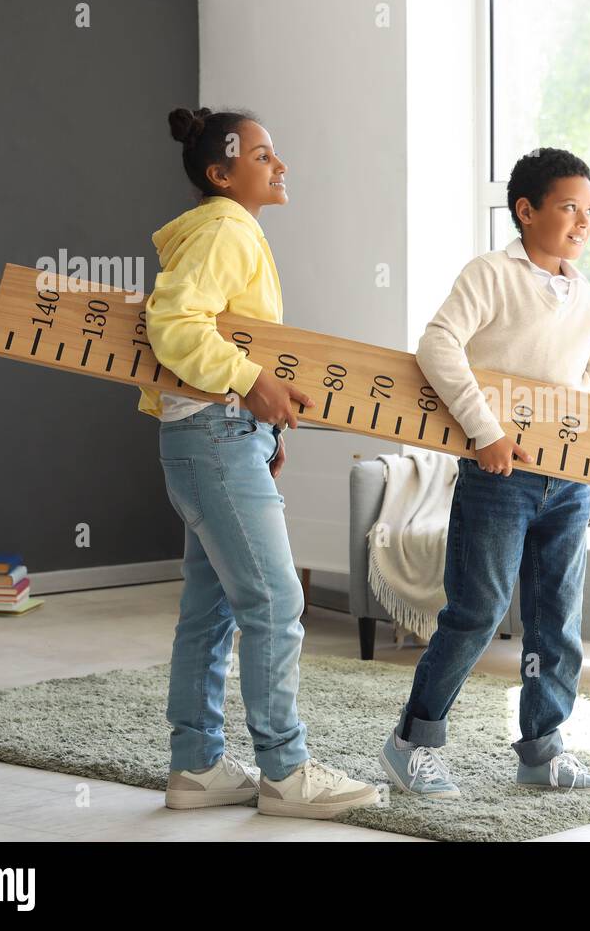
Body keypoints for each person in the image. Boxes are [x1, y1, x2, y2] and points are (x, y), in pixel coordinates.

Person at [144, 106, 378, 819]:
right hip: (215, 438)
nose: (280, 165)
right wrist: (251, 387)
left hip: (209, 440)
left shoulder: (227, 231)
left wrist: (261, 430)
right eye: (263, 155)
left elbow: (222, 340)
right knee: (276, 602)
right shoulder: (224, 229)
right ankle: (284, 772)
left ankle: (198, 767)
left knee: (210, 611)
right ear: (222, 173)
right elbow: (174, 325)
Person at [380, 147, 590, 798]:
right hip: (499, 478)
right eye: (570, 207)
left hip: (569, 488)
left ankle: (543, 752)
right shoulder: (490, 274)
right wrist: (483, 432)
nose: (583, 223)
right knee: (478, 611)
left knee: (556, 621)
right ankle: (413, 741)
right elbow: (437, 343)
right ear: (527, 210)